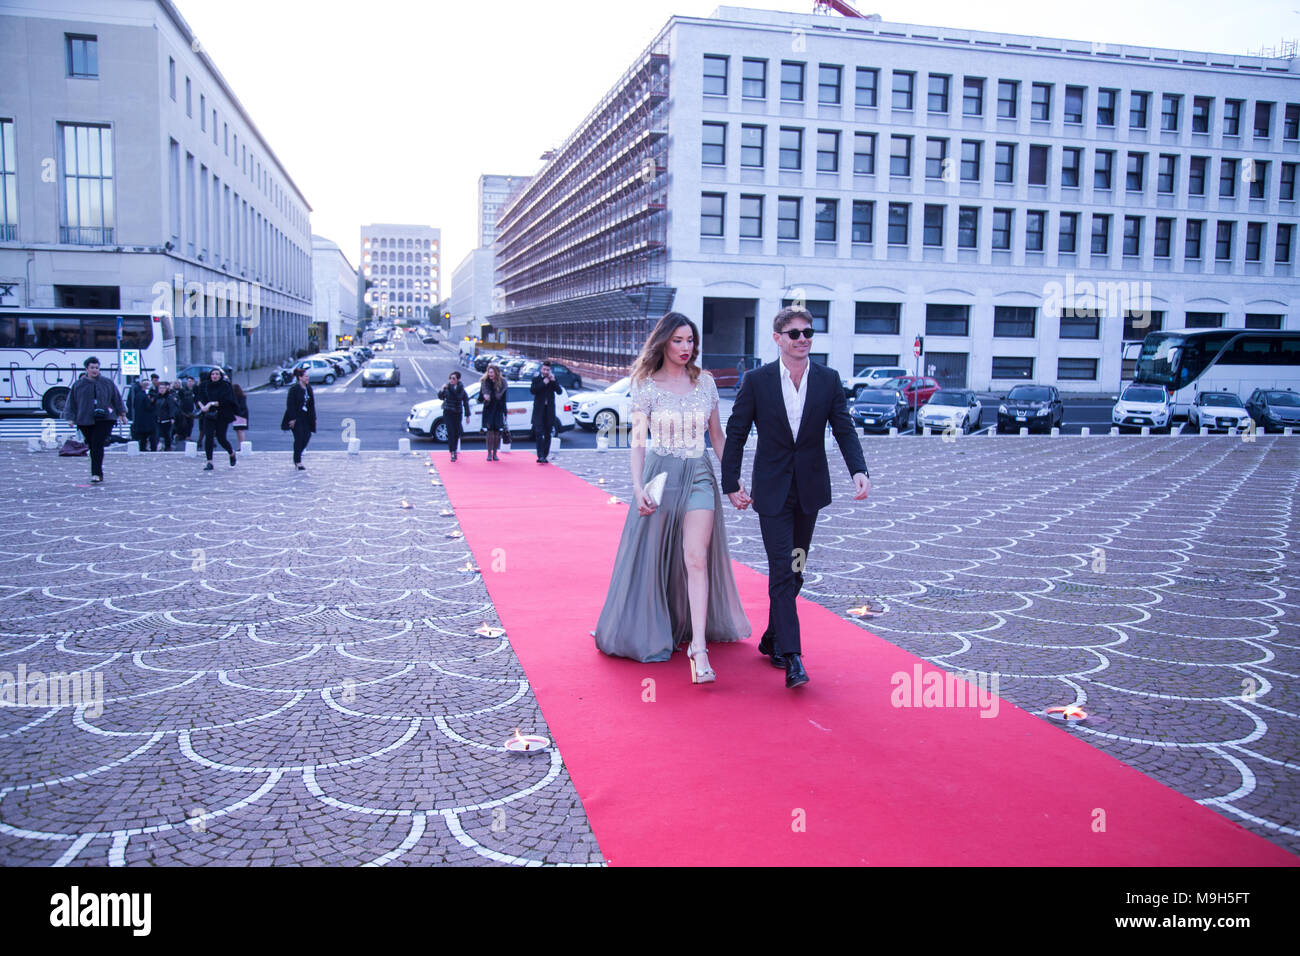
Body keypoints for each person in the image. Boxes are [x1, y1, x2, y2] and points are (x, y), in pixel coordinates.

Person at [593, 312, 751, 682]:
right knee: (653, 557)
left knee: (696, 558)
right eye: (678, 340)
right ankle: (655, 623)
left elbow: (717, 438)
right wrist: (636, 486)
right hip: (660, 476)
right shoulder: (645, 384)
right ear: (663, 341)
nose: (686, 348)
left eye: (691, 341)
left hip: (699, 474)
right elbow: (637, 443)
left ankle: (699, 648)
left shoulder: (706, 383)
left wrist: (733, 481)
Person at [721, 306, 871, 690]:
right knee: (782, 569)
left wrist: (859, 470)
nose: (803, 338)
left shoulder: (828, 379)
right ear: (777, 338)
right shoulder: (757, 381)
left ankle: (772, 637)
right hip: (771, 495)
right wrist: (731, 481)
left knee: (796, 568)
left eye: (808, 332)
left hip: (809, 492)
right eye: (794, 333)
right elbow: (736, 432)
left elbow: (843, 428)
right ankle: (792, 657)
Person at [62, 356, 127, 483]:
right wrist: (70, 418)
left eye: (97, 367)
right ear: (86, 369)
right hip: (85, 419)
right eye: (92, 367)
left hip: (106, 418)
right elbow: (72, 402)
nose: (95, 370)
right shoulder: (79, 385)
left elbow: (116, 398)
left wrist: (122, 414)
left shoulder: (107, 382)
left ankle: (96, 473)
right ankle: (96, 470)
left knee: (97, 443)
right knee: (92, 444)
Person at [196, 367, 237, 470]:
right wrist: (202, 407)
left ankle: (231, 453)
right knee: (208, 436)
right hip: (209, 414)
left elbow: (227, 400)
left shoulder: (225, 386)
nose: (214, 376)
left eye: (217, 374)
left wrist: (211, 403)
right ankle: (209, 462)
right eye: (213, 374)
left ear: (220, 376)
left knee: (221, 438)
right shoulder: (204, 385)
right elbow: (198, 398)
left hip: (222, 414)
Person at [281, 365, 316, 470]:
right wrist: (292, 419)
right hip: (296, 417)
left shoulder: (308, 388)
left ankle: (298, 454)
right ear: (300, 377)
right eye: (305, 376)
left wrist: (314, 418)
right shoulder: (294, 389)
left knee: (307, 436)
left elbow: (311, 404)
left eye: (307, 376)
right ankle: (297, 461)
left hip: (306, 417)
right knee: (299, 438)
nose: (307, 378)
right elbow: (290, 405)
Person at [530, 361, 562, 463]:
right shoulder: (536, 378)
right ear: (541, 369)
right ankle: (540, 456)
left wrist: (553, 381)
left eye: (547, 370)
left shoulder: (553, 379)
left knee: (548, 433)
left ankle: (545, 455)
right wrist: (543, 383)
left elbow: (559, 391)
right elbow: (533, 390)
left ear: (550, 370)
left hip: (549, 411)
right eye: (544, 369)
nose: (545, 371)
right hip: (539, 410)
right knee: (539, 433)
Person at [437, 371, 471, 462]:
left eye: (454, 378)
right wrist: (442, 389)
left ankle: (455, 450)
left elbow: (466, 403)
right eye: (450, 378)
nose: (451, 380)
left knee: (456, 433)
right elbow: (440, 397)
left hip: (457, 413)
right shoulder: (447, 388)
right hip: (448, 412)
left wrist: (467, 415)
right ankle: (452, 452)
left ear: (458, 380)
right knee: (450, 432)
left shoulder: (462, 390)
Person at [480, 364, 508, 461]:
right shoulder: (485, 382)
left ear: (496, 372)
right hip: (488, 409)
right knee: (489, 432)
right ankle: (489, 453)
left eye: (492, 372)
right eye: (489, 372)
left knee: (497, 433)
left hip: (498, 409)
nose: (490, 374)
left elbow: (504, 399)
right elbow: (479, 398)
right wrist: (484, 396)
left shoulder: (502, 383)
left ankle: (495, 453)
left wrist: (505, 412)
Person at [126, 374, 156, 450]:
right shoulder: (144, 395)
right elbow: (148, 407)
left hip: (140, 420)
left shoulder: (137, 395)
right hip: (147, 420)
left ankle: (143, 449)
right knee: (150, 436)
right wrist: (152, 403)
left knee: (142, 438)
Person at [151, 380, 178, 451]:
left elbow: (172, 407)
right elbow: (153, 407)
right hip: (158, 419)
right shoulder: (156, 397)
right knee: (157, 434)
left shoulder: (169, 397)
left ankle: (168, 447)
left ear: (166, 389)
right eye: (160, 388)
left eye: (163, 388)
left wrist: (172, 417)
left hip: (167, 419)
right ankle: (157, 447)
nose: (161, 390)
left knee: (167, 435)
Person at [174, 376, 197, 445]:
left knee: (191, 424)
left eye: (191, 381)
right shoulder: (182, 390)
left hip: (192, 410)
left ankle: (188, 437)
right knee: (183, 424)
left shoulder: (195, 390)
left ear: (193, 382)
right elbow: (178, 399)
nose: (190, 383)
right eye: (188, 381)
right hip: (183, 410)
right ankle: (180, 435)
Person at [231, 383, 249, 449]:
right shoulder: (241, 396)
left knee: (240, 430)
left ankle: (241, 446)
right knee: (238, 430)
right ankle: (240, 446)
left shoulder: (240, 397)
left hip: (240, 415)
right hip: (240, 414)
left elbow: (241, 406)